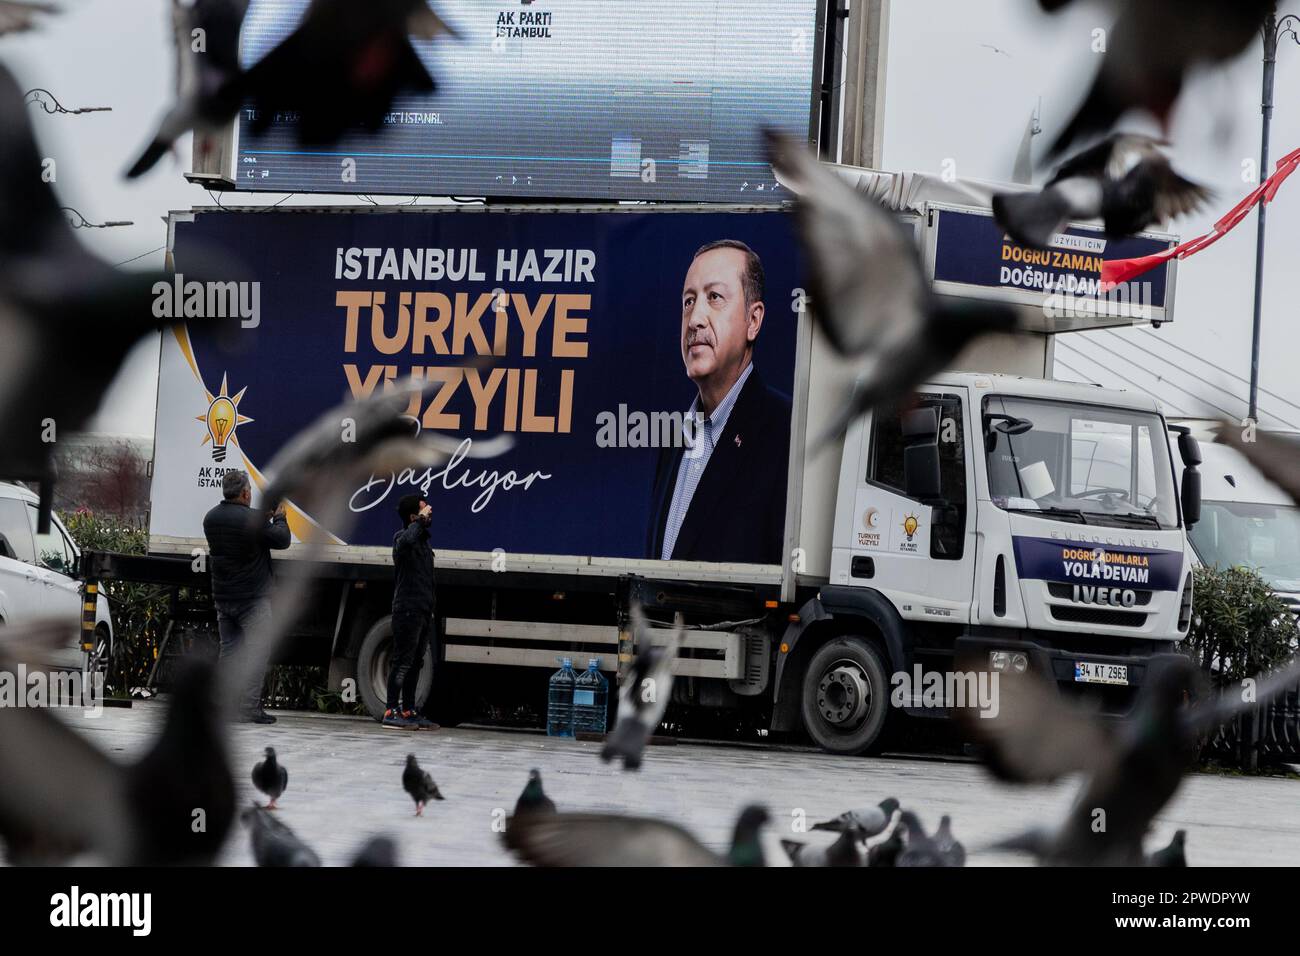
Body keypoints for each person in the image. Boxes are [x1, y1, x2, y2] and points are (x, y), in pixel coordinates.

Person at [646, 239, 792, 565]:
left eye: (714, 298)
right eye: (688, 301)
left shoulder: (787, 434)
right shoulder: (673, 439)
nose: (695, 318)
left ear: (753, 321)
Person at [203, 469, 290, 723]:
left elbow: (240, 533)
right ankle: (250, 707)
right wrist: (280, 518)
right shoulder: (253, 520)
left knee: (228, 653)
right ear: (244, 493)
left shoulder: (211, 518)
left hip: (223, 597)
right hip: (252, 599)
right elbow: (282, 540)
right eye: (249, 491)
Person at [384, 493, 439, 730]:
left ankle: (408, 710)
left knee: (416, 662)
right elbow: (406, 542)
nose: (429, 510)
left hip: (423, 610)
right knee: (402, 662)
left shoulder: (423, 543)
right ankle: (390, 710)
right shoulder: (402, 538)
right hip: (407, 609)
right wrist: (418, 523)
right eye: (423, 508)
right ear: (413, 516)